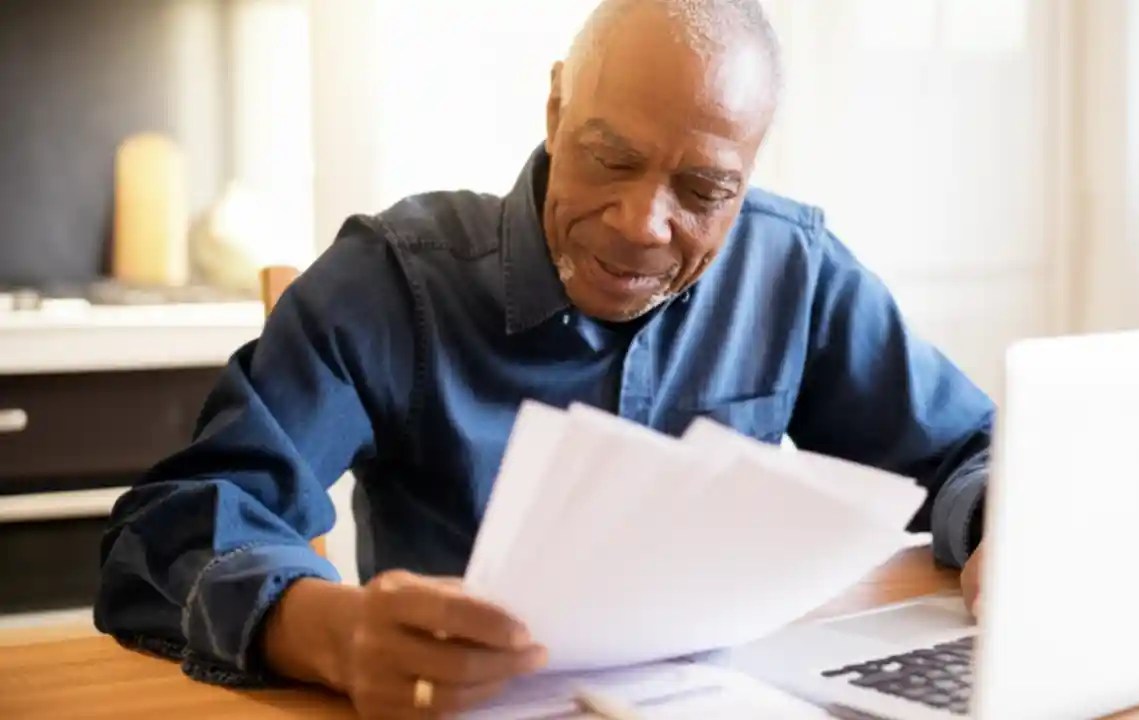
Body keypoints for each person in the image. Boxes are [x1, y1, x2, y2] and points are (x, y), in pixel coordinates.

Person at [95, 0, 1000, 717]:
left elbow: (973, 451)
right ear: (557, 108)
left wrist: (1002, 526)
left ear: (748, 175)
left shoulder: (792, 271)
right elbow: (172, 526)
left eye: (703, 190)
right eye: (611, 158)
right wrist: (326, 632)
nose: (643, 224)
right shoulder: (395, 284)